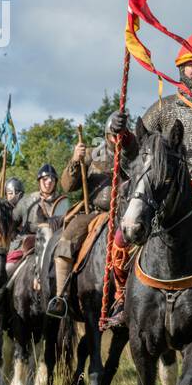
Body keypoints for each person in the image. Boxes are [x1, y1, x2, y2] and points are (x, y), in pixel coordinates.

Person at [113, 31, 192, 254]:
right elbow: (138, 156)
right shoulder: (163, 109)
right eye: (191, 64)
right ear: (182, 69)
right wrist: (123, 136)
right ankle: (122, 287)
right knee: (121, 243)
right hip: (165, 191)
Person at [48, 116, 136, 322]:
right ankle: (61, 296)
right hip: (95, 213)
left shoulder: (132, 155)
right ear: (107, 134)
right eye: (113, 134)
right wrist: (75, 161)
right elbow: (68, 186)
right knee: (68, 236)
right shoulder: (92, 154)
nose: (117, 138)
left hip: (125, 215)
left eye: (120, 134)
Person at [6, 165, 66, 276]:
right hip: (25, 247)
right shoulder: (27, 201)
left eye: (52, 179)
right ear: (39, 181)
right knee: (5, 273)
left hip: (55, 246)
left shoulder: (63, 203)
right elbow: (11, 223)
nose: (48, 182)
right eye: (45, 179)